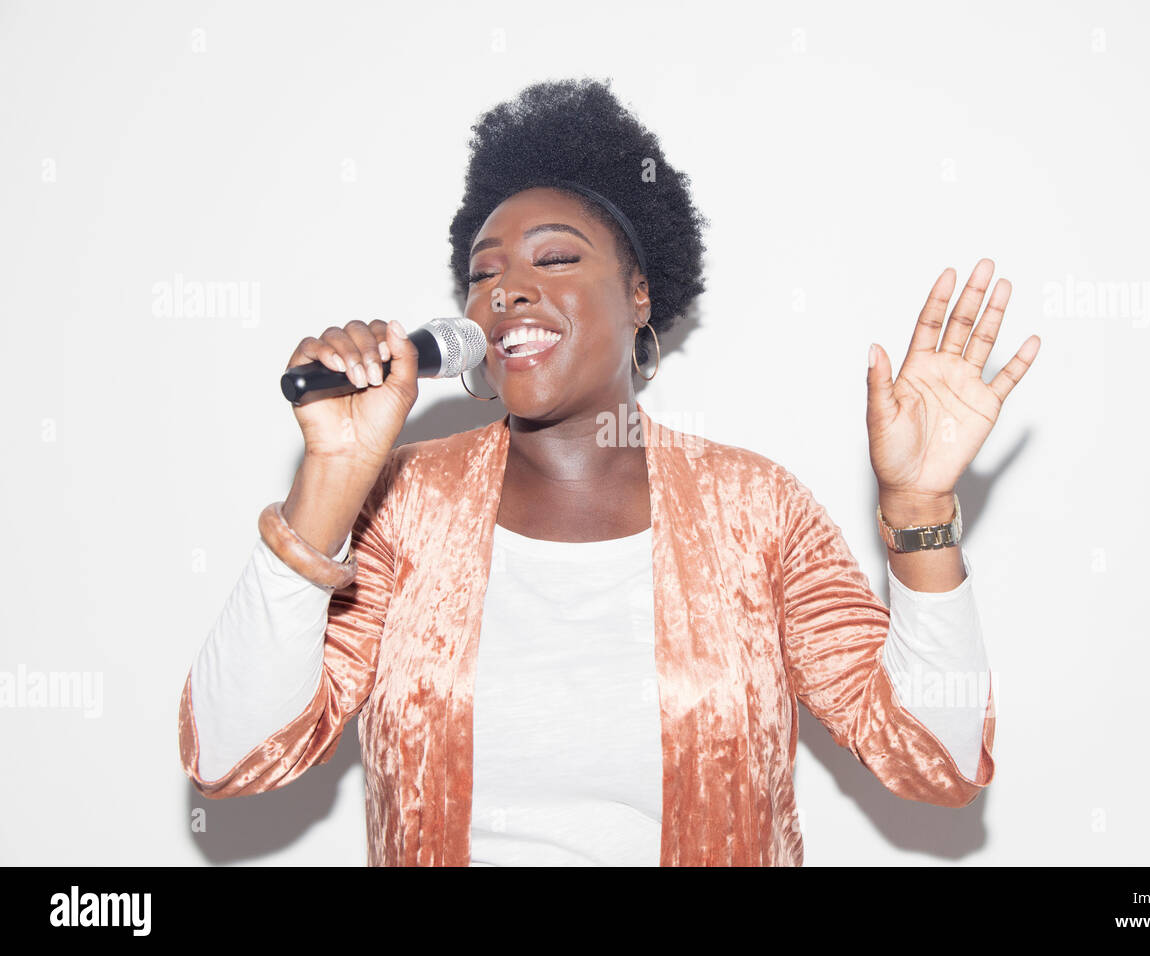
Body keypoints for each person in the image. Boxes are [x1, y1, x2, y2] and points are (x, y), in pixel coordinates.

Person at [178, 77, 1040, 866]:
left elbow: (937, 760)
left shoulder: (755, 509)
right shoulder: (402, 509)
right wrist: (331, 479)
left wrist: (921, 507)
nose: (507, 290)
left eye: (554, 259)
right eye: (483, 276)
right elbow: (232, 757)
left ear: (639, 297)